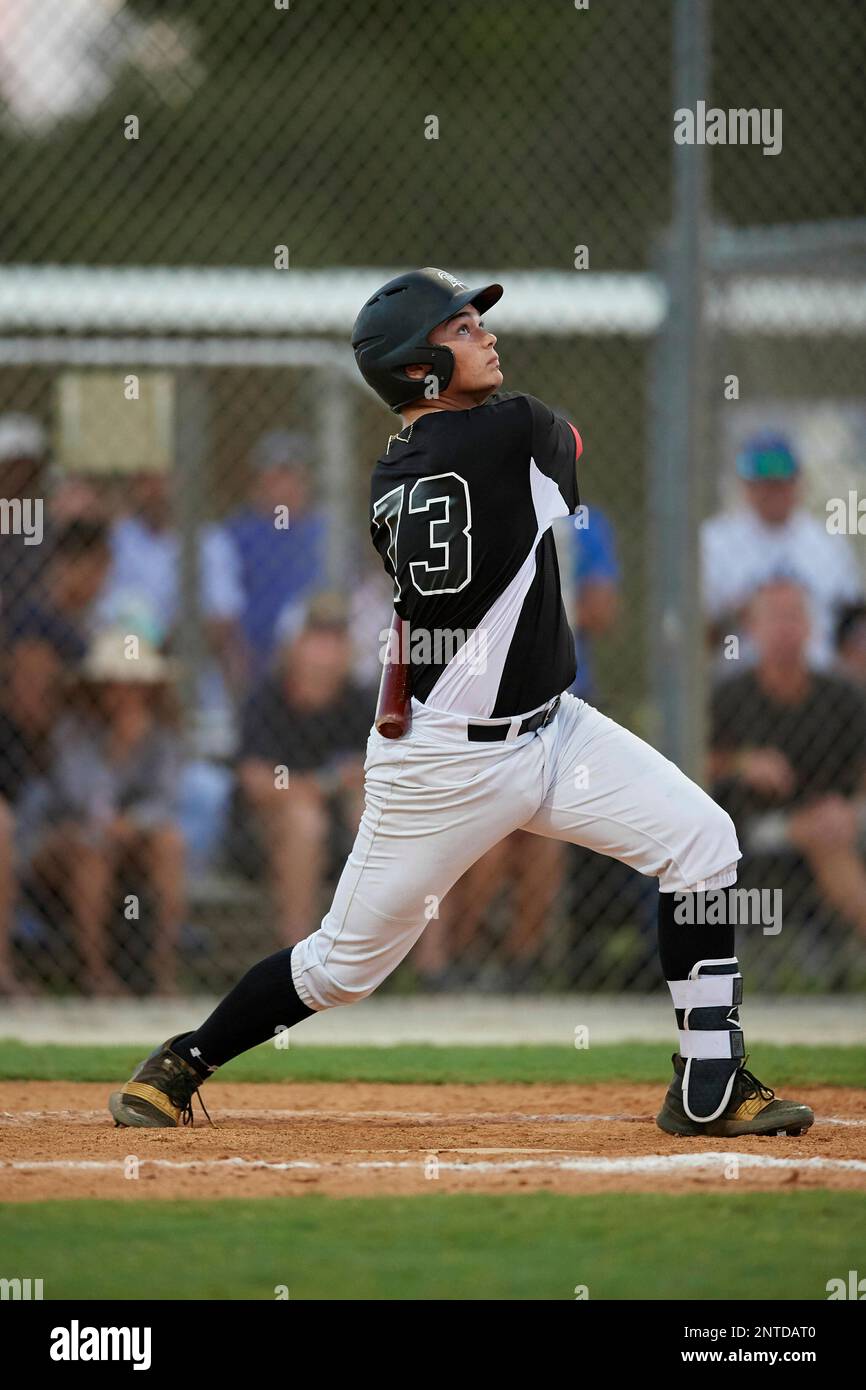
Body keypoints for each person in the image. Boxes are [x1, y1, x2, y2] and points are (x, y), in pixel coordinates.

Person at [108, 267, 812, 1140]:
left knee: (703, 842)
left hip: (553, 731)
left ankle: (709, 1081)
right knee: (341, 967)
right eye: (458, 327)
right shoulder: (515, 428)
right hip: (447, 762)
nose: (482, 331)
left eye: (476, 320)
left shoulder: (387, 477)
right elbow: (569, 448)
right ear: (417, 369)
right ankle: (180, 1064)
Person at [30, 629, 186, 996]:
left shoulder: (161, 732)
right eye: (117, 685)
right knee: (92, 852)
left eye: (136, 685)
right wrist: (119, 749)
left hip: (130, 838)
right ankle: (96, 973)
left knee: (169, 843)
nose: (127, 695)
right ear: (98, 687)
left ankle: (163, 972)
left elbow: (165, 799)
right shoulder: (73, 730)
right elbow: (79, 800)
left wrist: (132, 823)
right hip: (66, 840)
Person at [709, 580, 866, 943]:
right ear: (752, 627)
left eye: (795, 616)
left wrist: (852, 809)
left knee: (829, 834)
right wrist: (742, 762)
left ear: (810, 626)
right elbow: (693, 763)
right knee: (822, 838)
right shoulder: (730, 696)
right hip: (758, 827)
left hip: (838, 818)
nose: (786, 629)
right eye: (775, 617)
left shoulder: (841, 695)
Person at [231, 596, 373, 944]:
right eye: (317, 638)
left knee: (372, 808)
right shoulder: (268, 699)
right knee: (304, 821)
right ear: (293, 647)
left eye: (337, 639)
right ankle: (298, 960)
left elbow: (376, 770)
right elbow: (255, 783)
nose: (328, 650)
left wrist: (354, 780)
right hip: (261, 836)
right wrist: (324, 784)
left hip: (339, 826)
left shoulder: (357, 700)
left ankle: (388, 957)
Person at [701, 432, 862, 670]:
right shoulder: (714, 542)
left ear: (798, 482)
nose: (772, 492)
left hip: (817, 683)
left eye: (780, 482)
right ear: (745, 486)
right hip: (738, 681)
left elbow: (852, 626)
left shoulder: (828, 543)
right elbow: (696, 634)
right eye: (763, 483)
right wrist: (739, 616)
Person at [220, 431, 328, 682]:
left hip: (312, 657)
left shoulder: (323, 532)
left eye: (292, 476)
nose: (285, 486)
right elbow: (226, 609)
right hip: (251, 656)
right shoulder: (239, 534)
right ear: (259, 483)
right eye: (276, 476)